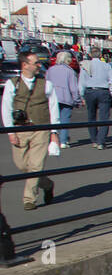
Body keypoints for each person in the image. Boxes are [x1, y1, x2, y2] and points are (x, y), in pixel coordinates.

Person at [2, 51, 60, 209]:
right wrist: (10, 132)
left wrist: (54, 132)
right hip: (20, 128)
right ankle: (47, 184)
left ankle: (29, 199)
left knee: (35, 164)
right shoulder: (13, 84)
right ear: (25, 65)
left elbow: (53, 107)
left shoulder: (46, 84)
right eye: (36, 63)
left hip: (41, 128)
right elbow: (6, 108)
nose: (39, 66)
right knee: (22, 165)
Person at [78, 46, 112, 149]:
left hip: (90, 91)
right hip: (103, 91)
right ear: (101, 55)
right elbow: (111, 80)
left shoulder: (85, 66)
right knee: (104, 117)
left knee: (91, 116)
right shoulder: (106, 66)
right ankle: (101, 141)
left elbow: (81, 82)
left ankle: (94, 139)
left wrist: (81, 95)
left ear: (90, 55)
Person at [45, 51, 81, 148]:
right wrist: (77, 100)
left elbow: (46, 85)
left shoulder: (50, 70)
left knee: (53, 120)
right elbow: (73, 88)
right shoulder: (70, 71)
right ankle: (63, 141)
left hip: (52, 97)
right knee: (64, 120)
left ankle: (53, 140)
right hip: (65, 98)